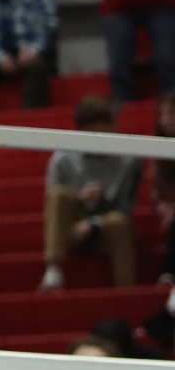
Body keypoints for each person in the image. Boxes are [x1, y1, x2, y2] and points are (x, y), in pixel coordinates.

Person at [40, 95, 142, 289]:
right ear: (84, 131)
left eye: (110, 126)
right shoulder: (62, 159)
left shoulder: (129, 161)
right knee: (59, 194)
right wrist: (78, 199)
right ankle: (53, 270)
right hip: (69, 229)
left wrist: (93, 224)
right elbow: (51, 207)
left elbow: (126, 210)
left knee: (118, 223)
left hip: (106, 228)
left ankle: (126, 290)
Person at [152, 91, 175, 287]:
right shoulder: (157, 152)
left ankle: (168, 270)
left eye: (171, 114)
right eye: (162, 115)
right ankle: (167, 273)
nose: (166, 120)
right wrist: (163, 207)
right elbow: (157, 191)